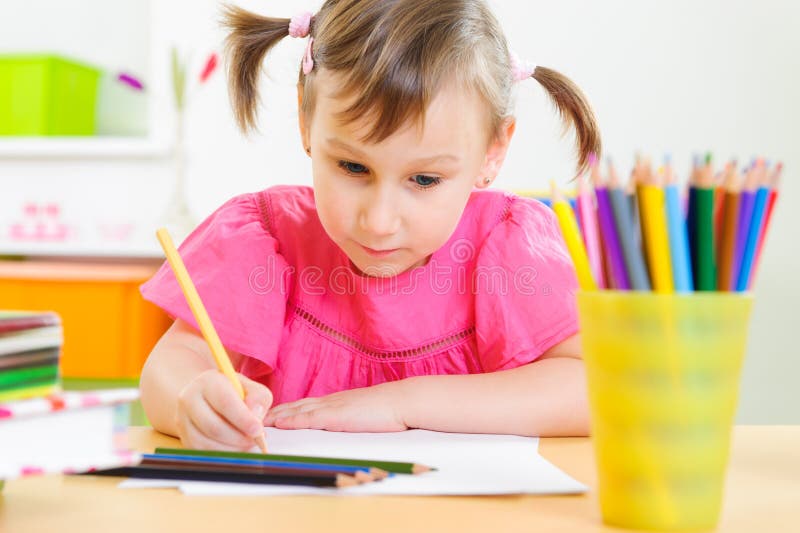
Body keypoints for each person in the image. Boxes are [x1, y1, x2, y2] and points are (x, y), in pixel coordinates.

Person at [139, 0, 602, 451]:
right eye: (353, 168)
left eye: (424, 179)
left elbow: (592, 390)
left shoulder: (507, 243)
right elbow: (173, 365)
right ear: (305, 119)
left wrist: (403, 404)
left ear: (493, 152)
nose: (379, 223)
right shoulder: (264, 240)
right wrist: (192, 400)